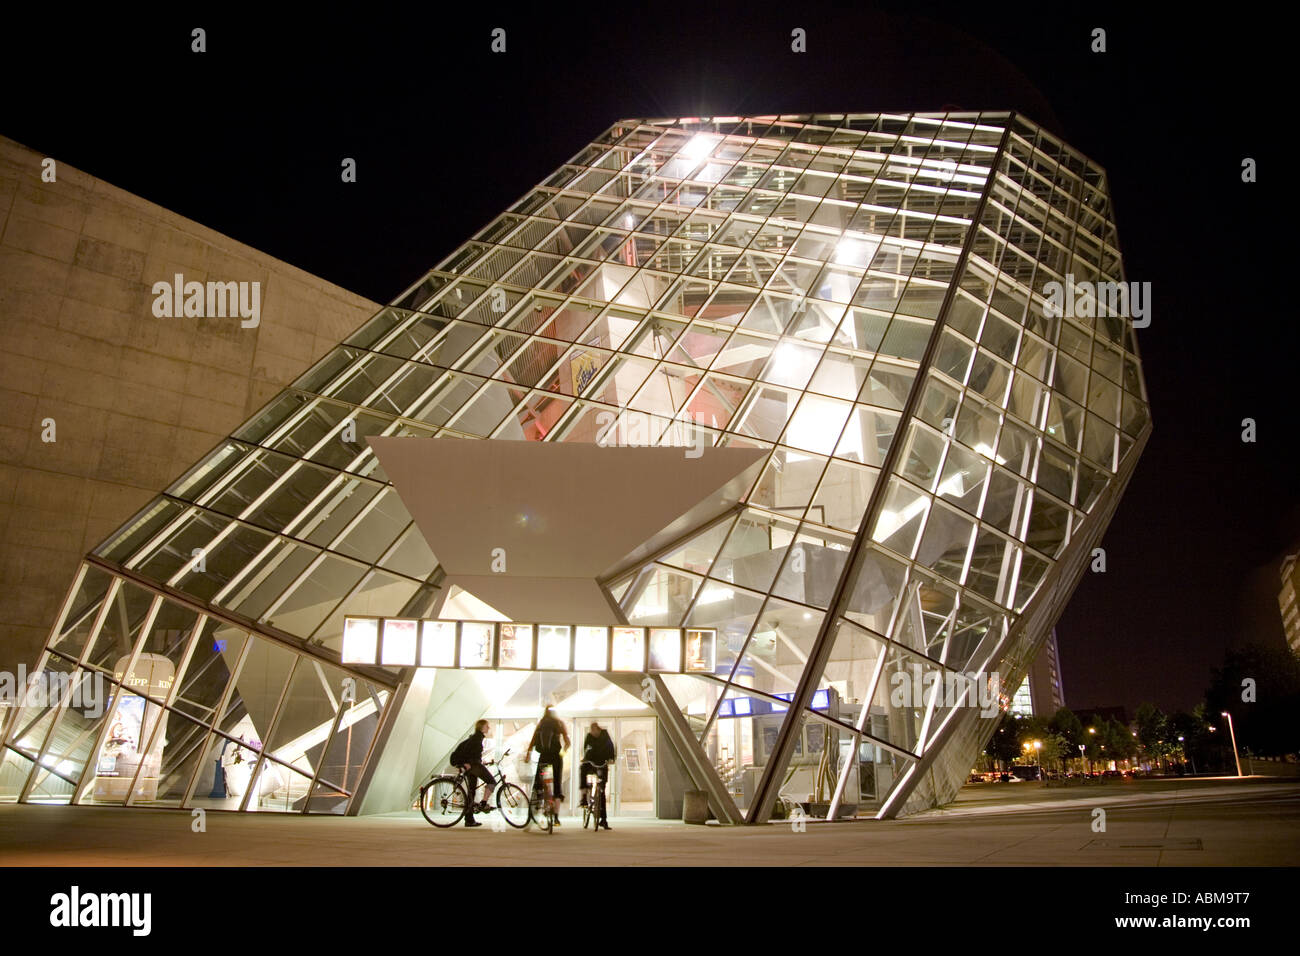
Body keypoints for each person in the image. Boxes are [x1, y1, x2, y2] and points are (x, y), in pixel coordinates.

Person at [527, 705, 570, 824]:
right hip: (556, 758)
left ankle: (543, 801)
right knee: (557, 784)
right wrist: (561, 754)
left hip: (544, 757)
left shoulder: (541, 723)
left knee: (541, 780)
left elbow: (533, 740)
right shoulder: (559, 723)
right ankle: (556, 817)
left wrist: (528, 754)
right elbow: (567, 743)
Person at [449, 719, 494, 828]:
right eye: (487, 726)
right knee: (491, 781)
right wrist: (466, 763)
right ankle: (483, 804)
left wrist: (480, 762)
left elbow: (473, 754)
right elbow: (469, 753)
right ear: (482, 727)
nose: (489, 728)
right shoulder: (477, 738)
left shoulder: (476, 738)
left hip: (472, 765)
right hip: (472, 765)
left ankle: (469, 819)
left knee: (471, 791)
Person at [579, 720, 616, 830]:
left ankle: (603, 820)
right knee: (583, 769)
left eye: (593, 731)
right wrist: (585, 758)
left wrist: (611, 759)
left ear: (598, 729)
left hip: (602, 763)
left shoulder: (605, 736)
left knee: (602, 790)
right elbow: (586, 749)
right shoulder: (589, 737)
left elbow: (611, 748)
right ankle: (584, 796)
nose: (592, 733)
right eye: (591, 731)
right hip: (590, 762)